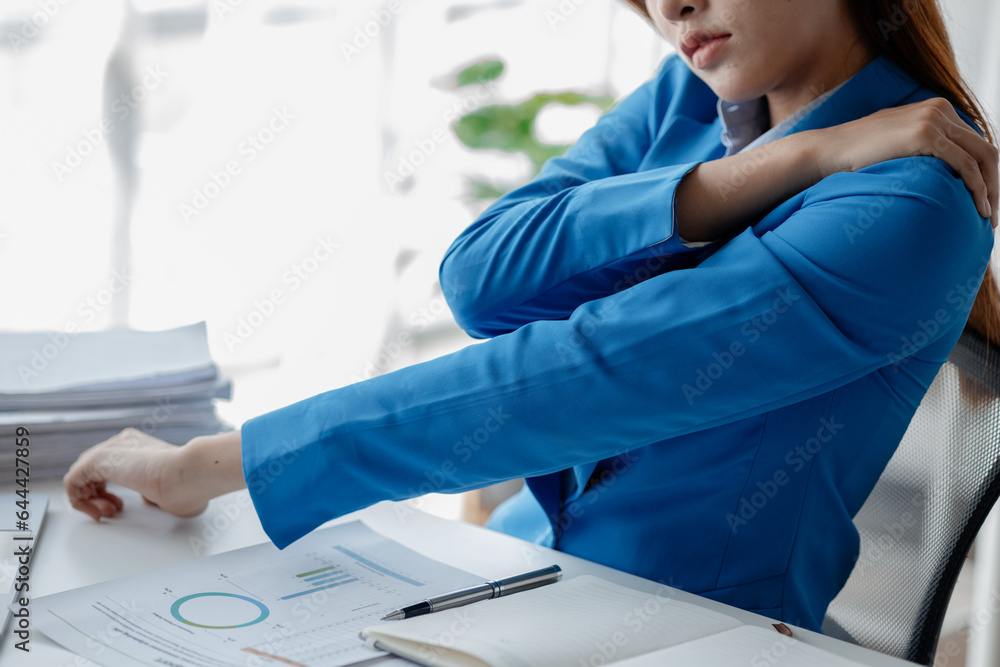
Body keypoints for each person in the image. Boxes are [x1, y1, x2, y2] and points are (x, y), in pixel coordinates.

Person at [64, 0, 999, 632]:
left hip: (686, 628)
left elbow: (570, 378)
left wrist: (211, 465)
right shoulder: (697, 93)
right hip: (509, 572)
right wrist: (788, 160)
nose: (670, 5)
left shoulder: (911, 204)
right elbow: (481, 279)